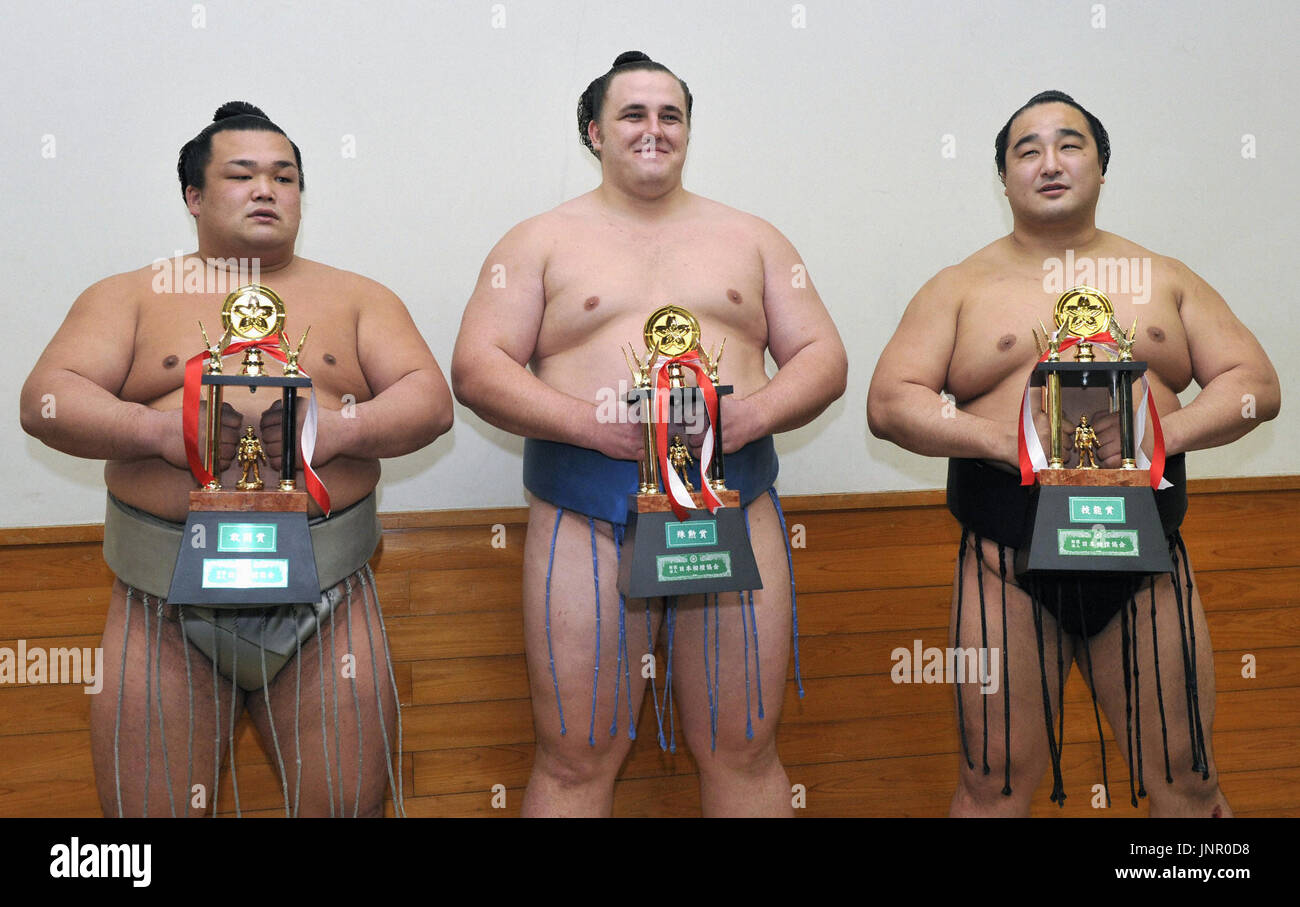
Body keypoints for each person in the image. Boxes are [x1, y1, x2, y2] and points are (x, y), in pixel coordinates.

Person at [20, 101, 453, 817]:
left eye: (285, 177)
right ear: (193, 196)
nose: (267, 189)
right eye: (243, 174)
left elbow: (430, 401)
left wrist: (333, 430)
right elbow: (46, 399)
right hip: (159, 598)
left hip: (330, 593)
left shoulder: (357, 296)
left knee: (349, 808)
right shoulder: (130, 295)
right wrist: (160, 434)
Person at [451, 52, 846, 817]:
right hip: (586, 510)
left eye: (671, 115)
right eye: (633, 114)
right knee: (574, 757)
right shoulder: (539, 240)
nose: (653, 129)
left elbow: (823, 356)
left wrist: (752, 415)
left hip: (733, 497)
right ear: (594, 131)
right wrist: (587, 425)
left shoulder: (753, 236)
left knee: (747, 748)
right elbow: (476, 366)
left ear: (689, 131)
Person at [867, 91, 1280, 816]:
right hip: (1006, 563)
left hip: (1143, 560)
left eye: (1070, 144)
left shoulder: (1162, 277)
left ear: (1101, 165)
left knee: (1188, 778)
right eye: (1026, 150)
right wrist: (1008, 440)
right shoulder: (960, 287)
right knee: (992, 784)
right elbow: (891, 401)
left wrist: (1162, 434)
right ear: (1003, 178)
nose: (1049, 162)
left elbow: (1255, 385)